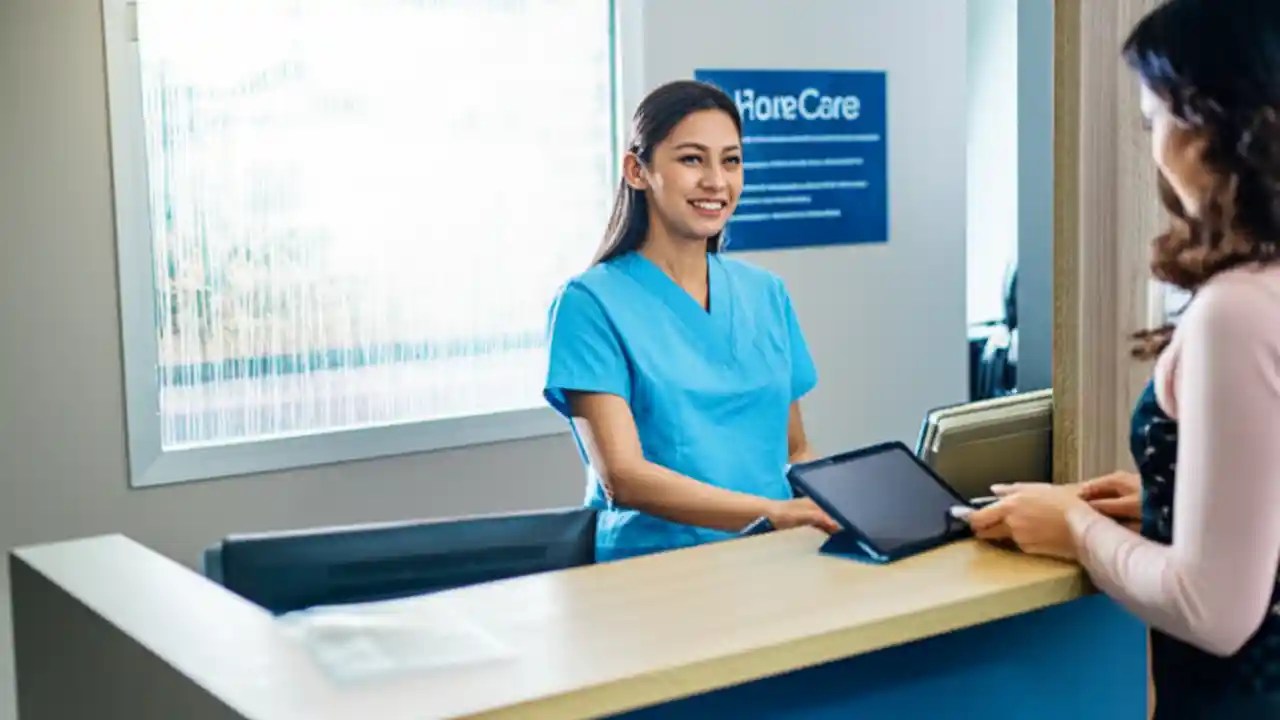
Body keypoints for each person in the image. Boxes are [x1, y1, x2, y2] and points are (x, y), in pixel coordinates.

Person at [962, 1, 1280, 716]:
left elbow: (1214, 611)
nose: (1156, 150)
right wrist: (1177, 504)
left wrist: (1077, 528)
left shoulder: (1238, 309)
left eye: (1156, 121)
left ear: (1211, 127)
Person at [542, 80, 839, 562]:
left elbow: (796, 448)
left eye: (731, 160)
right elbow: (623, 477)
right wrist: (773, 513)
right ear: (637, 171)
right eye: (692, 159)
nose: (716, 182)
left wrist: (846, 505)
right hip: (657, 570)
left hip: (776, 560)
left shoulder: (766, 293)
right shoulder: (589, 304)